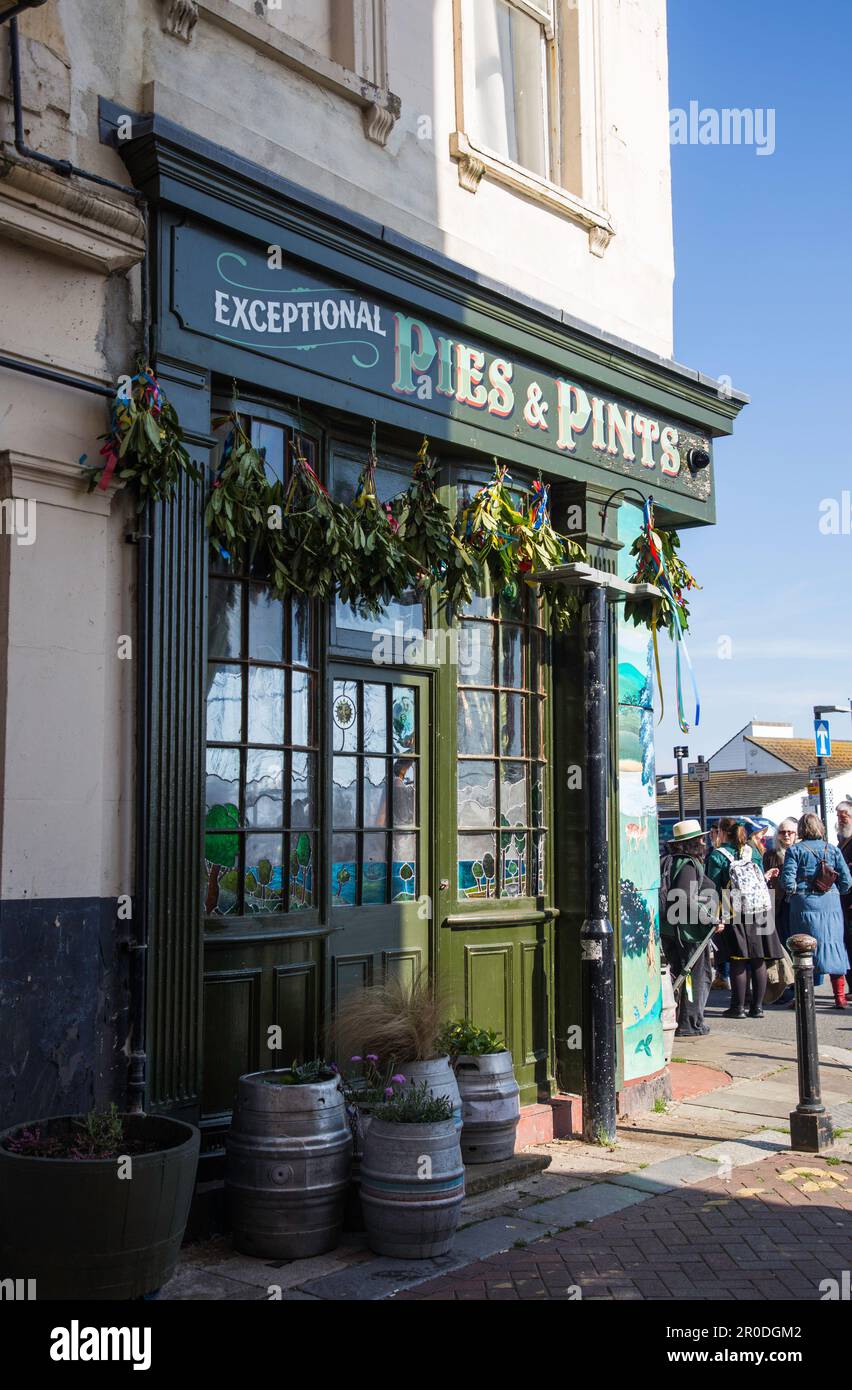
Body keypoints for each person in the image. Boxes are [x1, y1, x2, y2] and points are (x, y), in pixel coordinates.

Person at [706, 817, 783, 1020]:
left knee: (738, 959)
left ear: (722, 833)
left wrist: (713, 914)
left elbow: (712, 887)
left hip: (734, 906)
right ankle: (757, 1007)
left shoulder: (717, 856)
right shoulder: (752, 851)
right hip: (759, 907)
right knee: (758, 959)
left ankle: (737, 1007)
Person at [782, 812, 852, 1009]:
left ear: (802, 829)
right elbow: (846, 881)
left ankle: (804, 998)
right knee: (834, 947)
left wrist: (794, 892)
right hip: (830, 903)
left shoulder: (795, 850)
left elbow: (788, 880)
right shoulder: (832, 849)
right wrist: (836, 891)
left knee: (804, 950)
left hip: (804, 904)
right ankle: (839, 997)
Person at [659, 820, 722, 1037]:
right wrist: (710, 919)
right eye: (701, 839)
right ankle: (690, 1023)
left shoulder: (669, 861)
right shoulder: (687, 864)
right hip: (687, 932)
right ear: (693, 843)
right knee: (695, 977)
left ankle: (684, 1020)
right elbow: (684, 897)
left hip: (672, 929)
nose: (704, 842)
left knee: (682, 975)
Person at [763, 818, 798, 1006]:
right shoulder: (770, 855)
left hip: (795, 906)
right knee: (781, 947)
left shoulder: (799, 852)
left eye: (790, 832)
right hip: (777, 906)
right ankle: (784, 987)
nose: (786, 835)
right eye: (782, 832)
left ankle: (797, 988)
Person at [836, 800, 852, 993]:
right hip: (843, 901)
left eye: (844, 815)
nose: (840, 819)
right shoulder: (842, 841)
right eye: (838, 815)